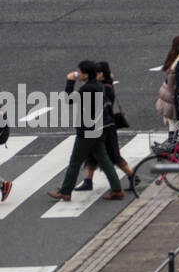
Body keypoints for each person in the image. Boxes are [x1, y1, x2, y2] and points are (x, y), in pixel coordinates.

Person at [47, 61, 124, 202]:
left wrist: (70, 81)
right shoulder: (99, 86)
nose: (78, 74)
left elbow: (68, 99)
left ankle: (65, 191)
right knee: (104, 161)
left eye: (80, 72)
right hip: (100, 128)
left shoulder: (87, 89)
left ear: (86, 74)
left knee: (75, 161)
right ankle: (117, 189)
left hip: (87, 131)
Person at [74, 62, 137, 194]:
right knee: (92, 155)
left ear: (101, 74)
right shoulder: (103, 85)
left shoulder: (105, 88)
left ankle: (132, 177)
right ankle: (88, 180)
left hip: (107, 126)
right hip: (102, 124)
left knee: (114, 155)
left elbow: (103, 106)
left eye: (96, 73)